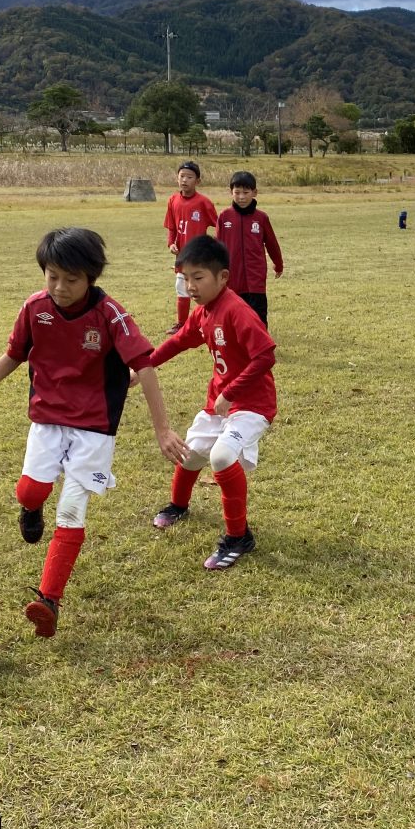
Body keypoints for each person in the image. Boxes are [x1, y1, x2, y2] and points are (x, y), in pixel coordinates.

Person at [0, 228, 185, 636]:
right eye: (52, 276)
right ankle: (31, 507)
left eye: (72, 279)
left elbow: (145, 366)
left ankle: (48, 598)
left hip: (94, 429)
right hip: (47, 421)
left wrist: (162, 429)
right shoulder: (35, 308)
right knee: (31, 491)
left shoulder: (111, 315)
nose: (60, 287)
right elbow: (14, 355)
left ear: (91, 277)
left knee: (71, 509)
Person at [146, 234, 276, 570]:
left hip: (251, 405)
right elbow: (179, 341)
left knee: (220, 456)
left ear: (222, 277)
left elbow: (265, 355)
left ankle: (239, 537)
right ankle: (178, 505)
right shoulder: (202, 312)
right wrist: (145, 366)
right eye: (185, 278)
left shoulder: (236, 311)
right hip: (219, 404)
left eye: (198, 277)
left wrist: (230, 392)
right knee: (190, 452)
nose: (190, 286)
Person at [216, 169, 284, 325]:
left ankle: (261, 349)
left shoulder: (261, 218)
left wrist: (278, 264)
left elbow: (272, 244)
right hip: (232, 279)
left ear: (254, 193)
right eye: (237, 192)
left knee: (258, 318)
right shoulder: (224, 217)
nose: (241, 197)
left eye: (245, 192)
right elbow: (218, 249)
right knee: (234, 318)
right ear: (231, 192)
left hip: (255, 279)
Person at [163, 159, 217, 331]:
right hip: (182, 256)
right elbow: (171, 227)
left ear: (198, 181)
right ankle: (182, 324)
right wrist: (171, 244)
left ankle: (208, 322)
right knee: (181, 287)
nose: (185, 180)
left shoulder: (203, 202)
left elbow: (219, 225)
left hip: (199, 255)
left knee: (202, 289)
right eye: (182, 176)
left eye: (190, 177)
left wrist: (212, 247)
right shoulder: (172, 200)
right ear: (177, 178)